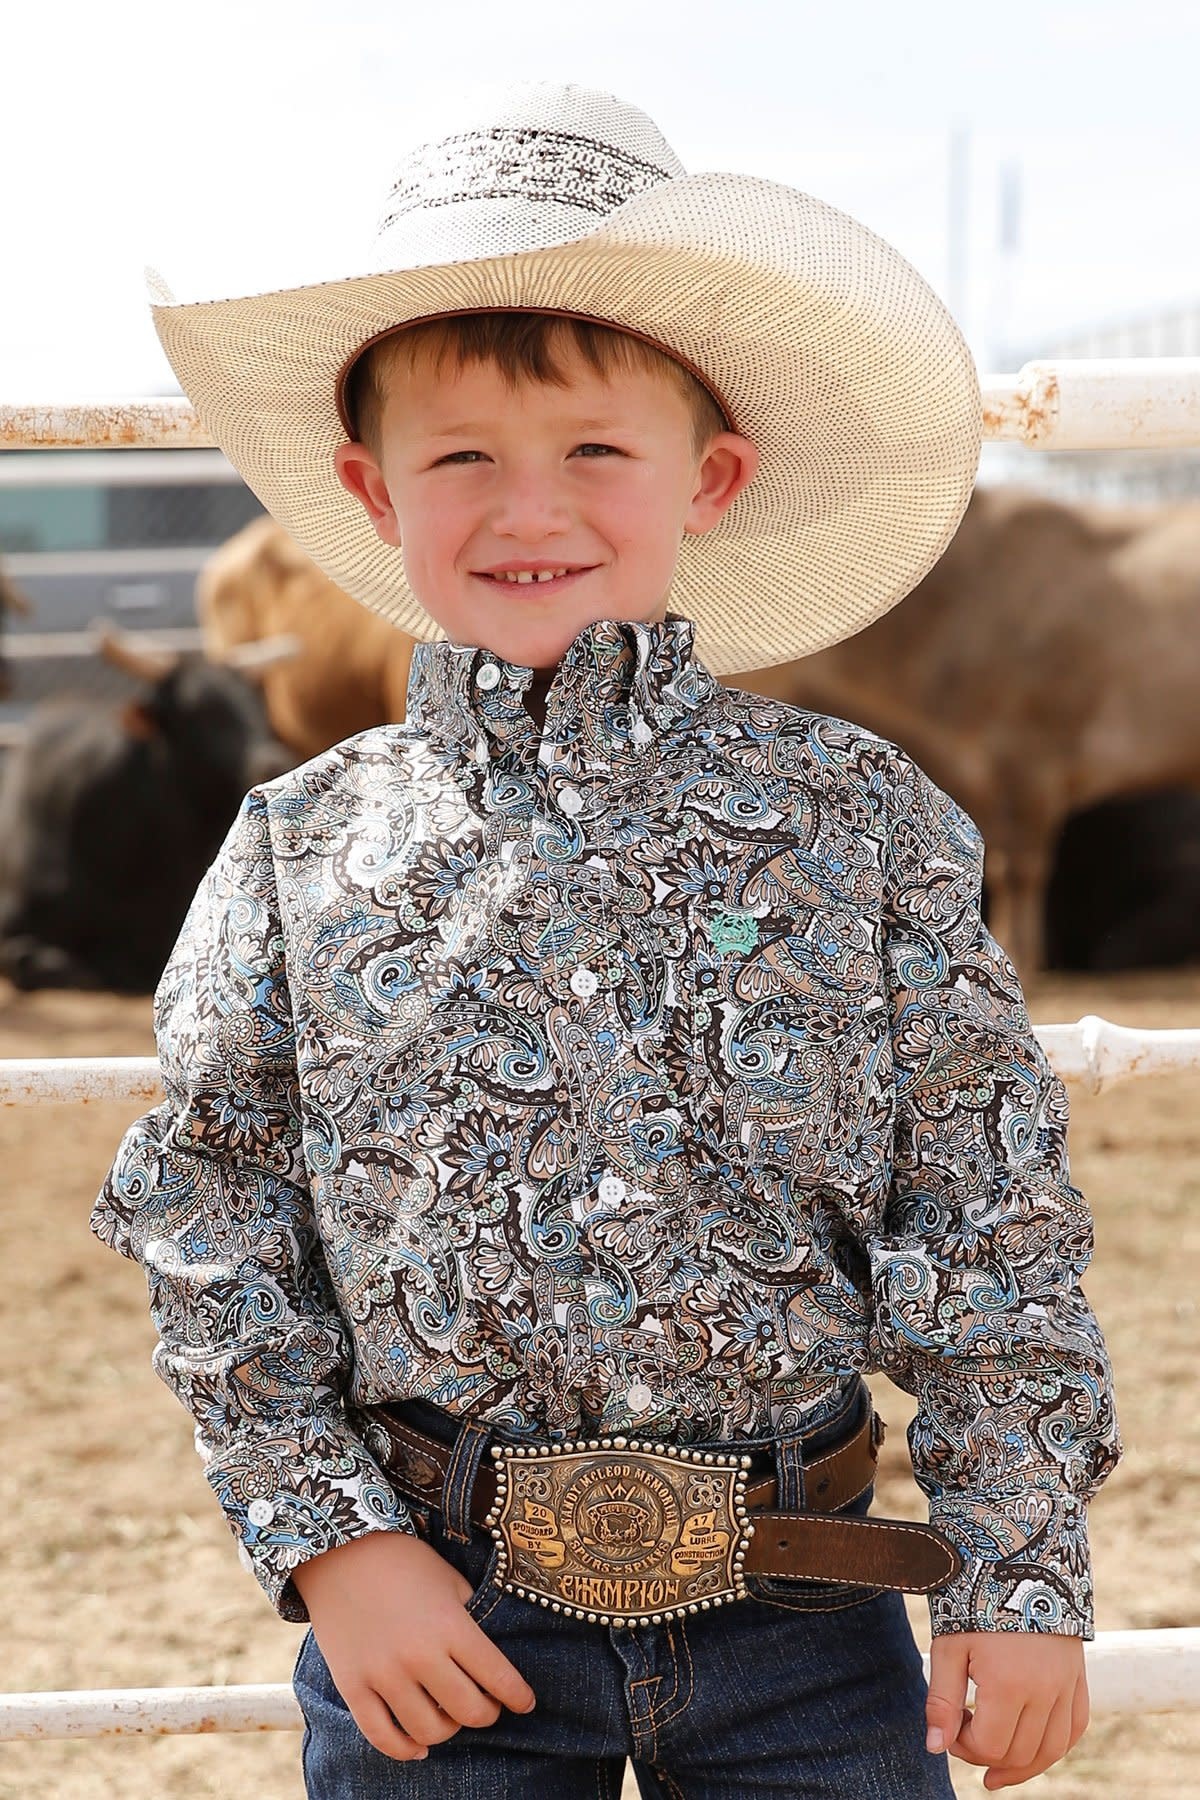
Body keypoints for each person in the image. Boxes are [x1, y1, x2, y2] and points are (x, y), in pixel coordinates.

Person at [92, 82, 1121, 1798]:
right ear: (372, 489)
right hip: (440, 1613)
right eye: (462, 458)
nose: (528, 508)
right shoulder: (296, 844)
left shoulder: (858, 823)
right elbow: (212, 1206)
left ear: (708, 477)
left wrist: (1023, 1571)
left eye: (593, 451)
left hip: (807, 1620)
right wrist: (339, 1545)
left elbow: (988, 1200)